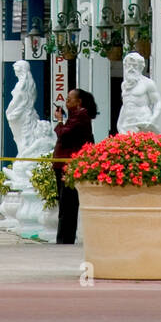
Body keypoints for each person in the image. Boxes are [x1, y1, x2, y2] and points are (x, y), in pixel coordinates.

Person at [52, 88, 98, 244]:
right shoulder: (75, 116)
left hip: (69, 165)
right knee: (65, 204)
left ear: (79, 102)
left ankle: (65, 239)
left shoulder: (81, 116)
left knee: (68, 205)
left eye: (69, 99)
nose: (67, 101)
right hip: (62, 165)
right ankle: (64, 237)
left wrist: (59, 121)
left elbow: (64, 134)